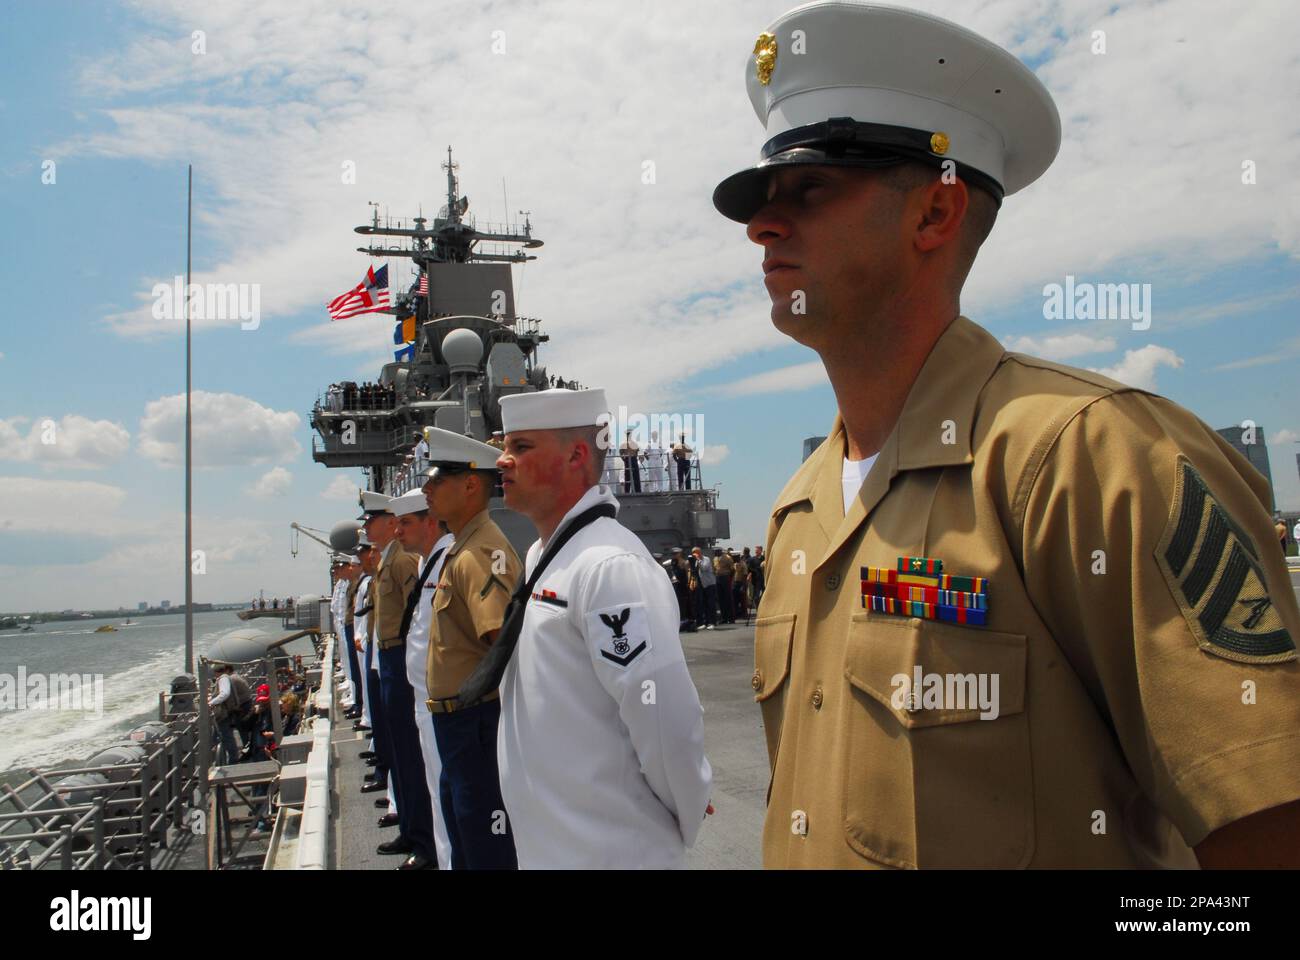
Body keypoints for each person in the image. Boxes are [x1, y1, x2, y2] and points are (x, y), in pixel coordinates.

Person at [714, 1, 1300, 868]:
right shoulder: (800, 510)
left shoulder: (1093, 460)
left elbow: (1267, 830)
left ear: (934, 217)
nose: (763, 224)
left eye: (810, 189)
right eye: (765, 199)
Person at [478, 387, 711, 867]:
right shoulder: (546, 554)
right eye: (505, 446)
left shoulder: (609, 566)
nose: (501, 461)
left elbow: (664, 716)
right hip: (551, 846)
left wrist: (682, 813)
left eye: (520, 448)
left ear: (577, 455)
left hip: (610, 850)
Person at [420, 427, 521, 869]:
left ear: (470, 484)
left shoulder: (481, 552)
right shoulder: (461, 549)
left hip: (477, 722)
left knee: (485, 843)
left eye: (437, 478)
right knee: (467, 835)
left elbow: (502, 640)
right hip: (460, 724)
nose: (426, 488)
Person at [364, 489, 435, 868]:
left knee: (410, 753)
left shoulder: (404, 561)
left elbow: (417, 617)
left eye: (371, 520)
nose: (367, 527)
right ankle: (410, 829)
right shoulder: (389, 559)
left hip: (400, 657)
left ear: (390, 523)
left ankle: (423, 839)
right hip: (388, 657)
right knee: (399, 751)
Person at [396, 478, 457, 869]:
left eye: (406, 524)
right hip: (425, 696)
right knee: (438, 790)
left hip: (445, 700)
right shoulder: (428, 561)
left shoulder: (451, 558)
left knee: (448, 793)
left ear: (430, 522)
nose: (398, 531)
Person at [207, 664, 247, 765]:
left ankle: (232, 761)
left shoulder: (223, 679)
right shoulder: (225, 678)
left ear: (216, 672)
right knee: (217, 735)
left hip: (224, 714)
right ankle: (215, 758)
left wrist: (211, 702)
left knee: (227, 737)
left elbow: (224, 694)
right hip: (224, 713)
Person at [692, 547, 717, 630]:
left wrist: (698, 560)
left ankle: (712, 622)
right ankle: (705, 622)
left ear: (699, 552)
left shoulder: (706, 559)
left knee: (711, 604)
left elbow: (704, 568)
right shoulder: (695, 561)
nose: (694, 554)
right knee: (704, 604)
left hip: (710, 584)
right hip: (702, 585)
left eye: (695, 552)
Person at [713, 549, 735, 624]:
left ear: (720, 551)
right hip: (718, 578)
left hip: (726, 577)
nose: (716, 553)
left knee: (728, 598)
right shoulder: (715, 558)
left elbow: (732, 569)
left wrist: (730, 579)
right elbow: (715, 568)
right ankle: (724, 618)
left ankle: (731, 618)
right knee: (720, 599)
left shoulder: (728, 558)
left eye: (717, 551)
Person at [620, 429, 642, 494]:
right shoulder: (624, 444)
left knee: (635, 475)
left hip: (632, 459)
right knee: (628, 476)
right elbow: (621, 453)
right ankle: (628, 491)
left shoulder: (633, 443)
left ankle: (636, 491)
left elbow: (621, 454)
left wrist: (624, 459)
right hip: (629, 459)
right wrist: (625, 460)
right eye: (628, 434)